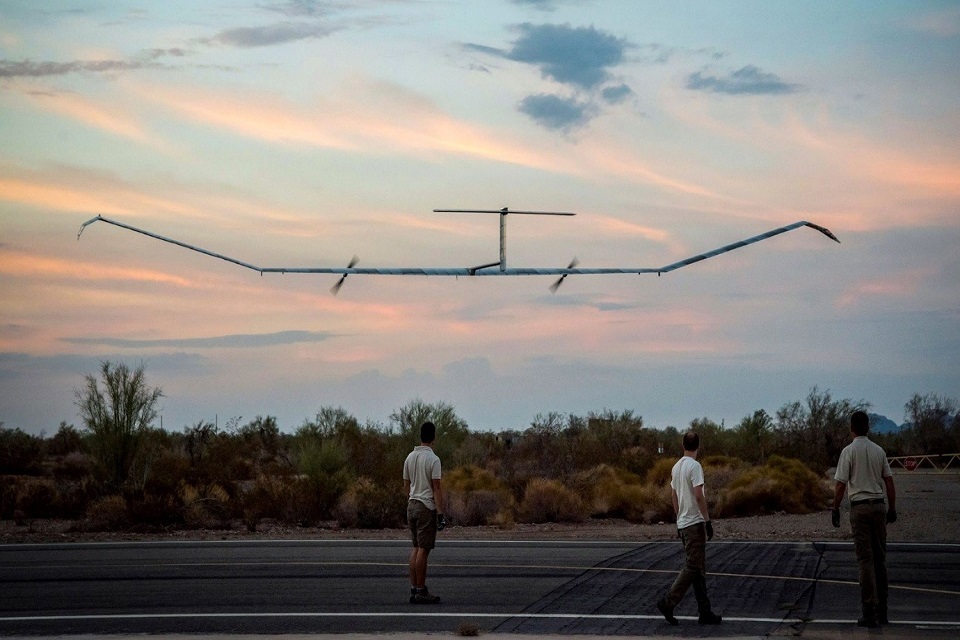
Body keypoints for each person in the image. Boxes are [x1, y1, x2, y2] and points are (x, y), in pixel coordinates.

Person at [832, 410, 897, 627]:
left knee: (865, 561)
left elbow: (841, 484)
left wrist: (835, 508)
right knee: (880, 560)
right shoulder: (879, 451)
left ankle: (869, 610)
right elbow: (888, 481)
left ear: (851, 428)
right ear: (868, 427)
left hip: (859, 508)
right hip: (878, 505)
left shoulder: (848, 452)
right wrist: (892, 507)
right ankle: (883, 611)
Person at [656, 431, 722, 626]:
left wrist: (678, 519)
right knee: (693, 566)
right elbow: (699, 495)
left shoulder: (676, 467)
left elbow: (674, 496)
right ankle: (668, 602)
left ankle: (705, 611)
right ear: (698, 446)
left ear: (683, 445)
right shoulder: (695, 467)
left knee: (698, 569)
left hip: (684, 522)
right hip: (694, 523)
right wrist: (707, 520)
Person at [403, 420, 446, 604]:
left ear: (420, 436)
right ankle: (421, 590)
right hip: (425, 506)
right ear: (433, 438)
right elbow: (437, 488)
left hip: (411, 504)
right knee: (424, 550)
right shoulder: (433, 460)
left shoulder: (409, 457)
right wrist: (440, 512)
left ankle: (414, 587)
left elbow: (406, 486)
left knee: (415, 548)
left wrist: (411, 499)